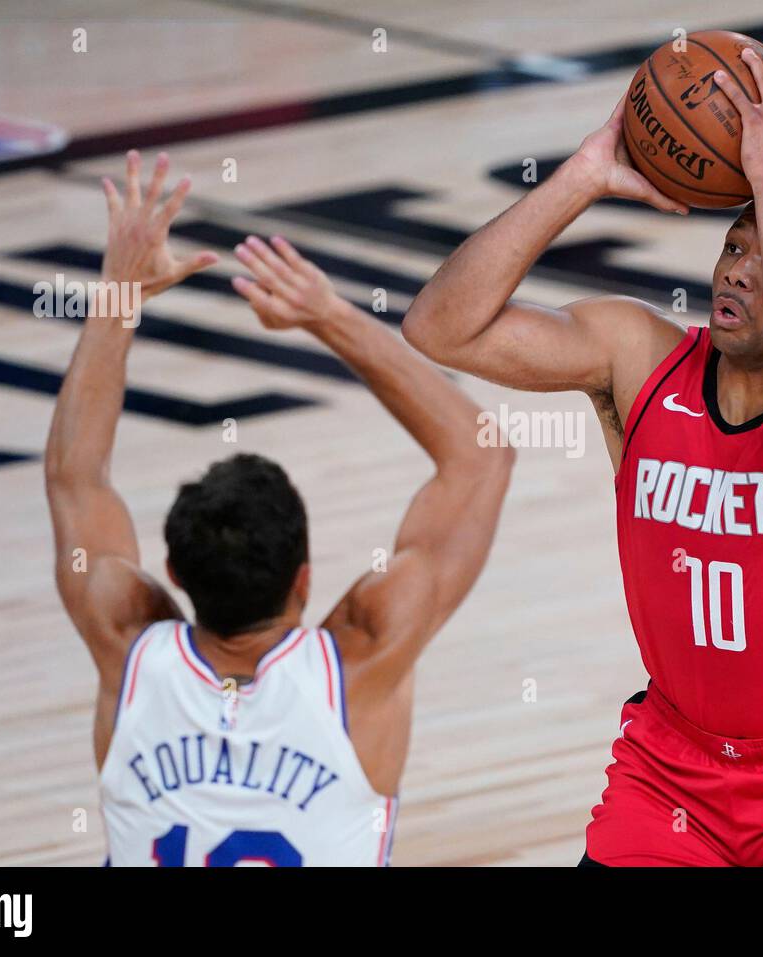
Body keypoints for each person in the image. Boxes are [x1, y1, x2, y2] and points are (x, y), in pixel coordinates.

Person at [402, 49, 763, 866]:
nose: (740, 272)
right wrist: (581, 175)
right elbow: (441, 328)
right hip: (671, 771)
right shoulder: (639, 358)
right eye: (732, 246)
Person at [45, 150, 513, 866]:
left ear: (172, 569)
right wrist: (326, 315)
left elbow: (76, 479)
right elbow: (482, 453)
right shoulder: (363, 656)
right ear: (304, 576)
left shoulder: (128, 637)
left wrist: (119, 293)